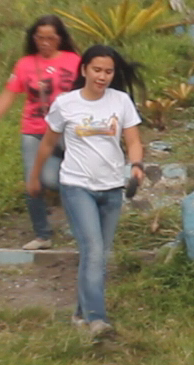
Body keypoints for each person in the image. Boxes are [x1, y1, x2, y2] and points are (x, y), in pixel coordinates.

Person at [27, 44, 145, 340]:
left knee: (99, 254)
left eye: (108, 71)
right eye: (97, 70)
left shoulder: (121, 101)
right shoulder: (66, 104)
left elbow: (133, 140)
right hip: (77, 185)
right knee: (93, 249)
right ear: (84, 70)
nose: (102, 76)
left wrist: (136, 165)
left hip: (111, 188)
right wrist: (35, 177)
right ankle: (97, 320)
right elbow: (47, 143)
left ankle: (80, 313)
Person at [0, 15, 81, 250]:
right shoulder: (25, 64)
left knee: (64, 178)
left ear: (60, 38)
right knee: (33, 182)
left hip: (68, 130)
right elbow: (8, 93)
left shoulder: (74, 60)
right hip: (34, 130)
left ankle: (82, 227)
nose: (45, 43)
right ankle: (42, 234)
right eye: (40, 38)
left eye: (50, 38)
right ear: (33, 38)